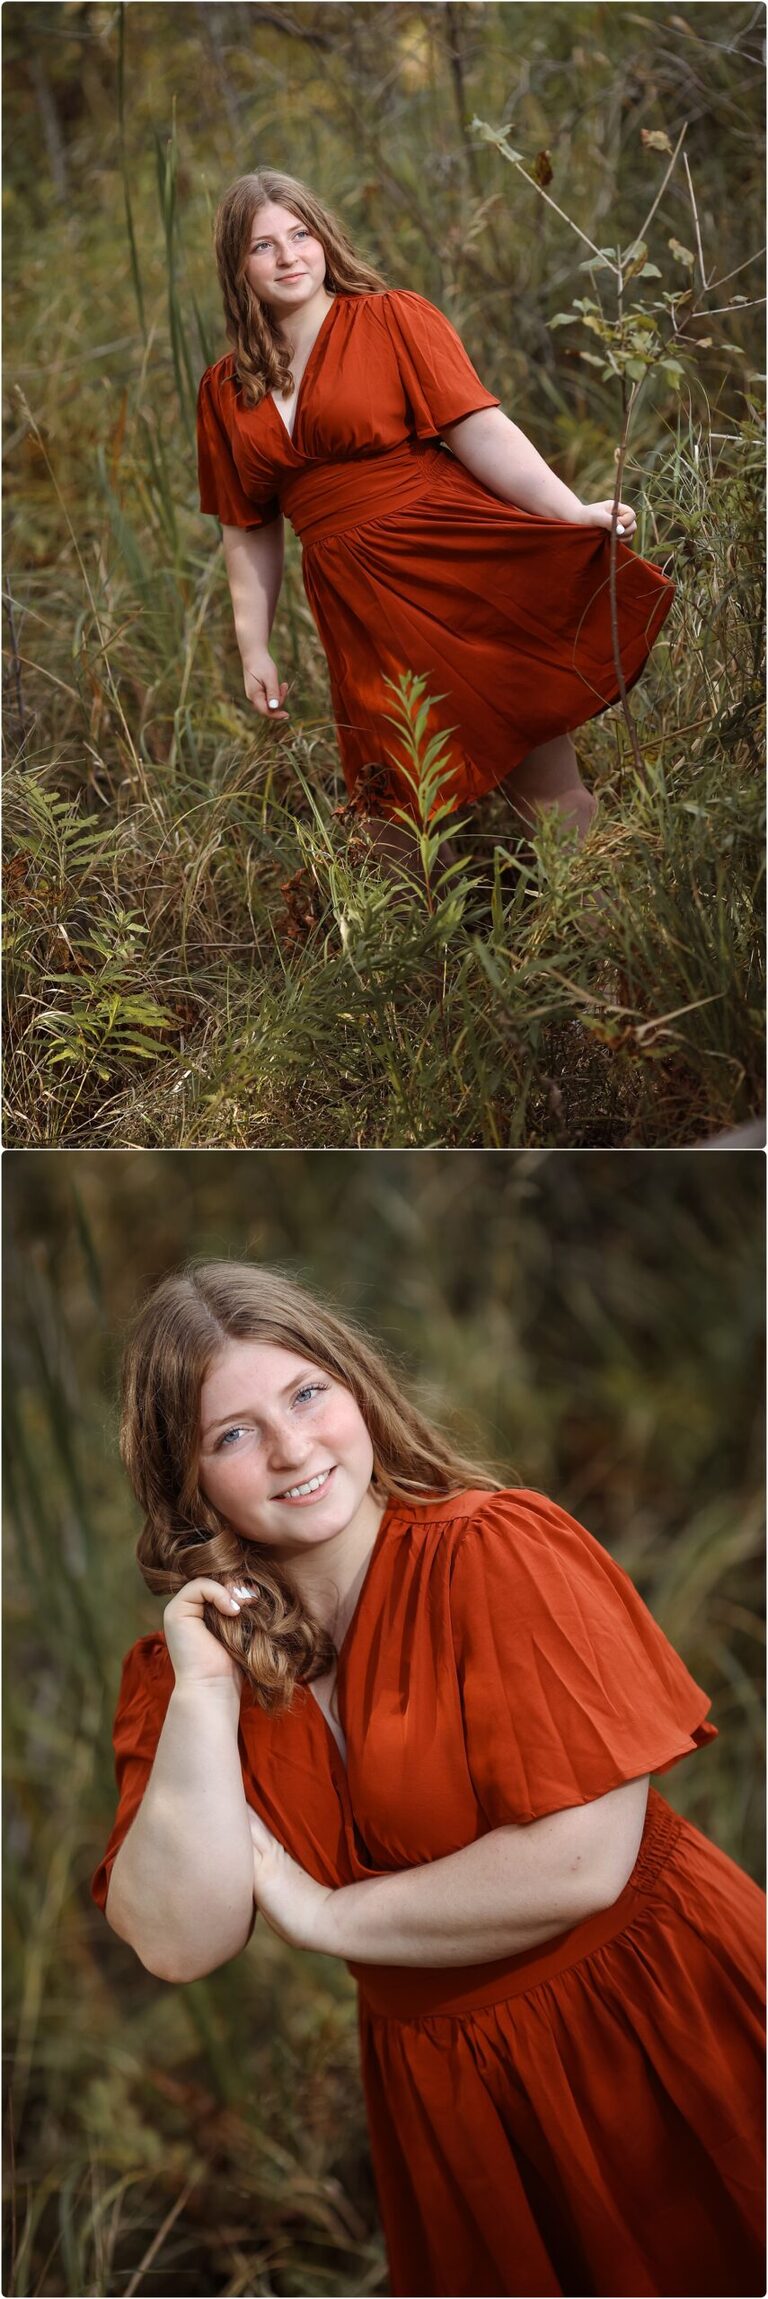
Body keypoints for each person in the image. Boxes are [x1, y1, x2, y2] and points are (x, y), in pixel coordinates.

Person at [92, 1261, 764, 2299]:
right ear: (185, 1484)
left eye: (306, 1393)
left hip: (658, 2018)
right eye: (232, 1434)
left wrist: (326, 1914)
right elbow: (180, 1939)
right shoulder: (187, 1674)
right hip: (455, 2095)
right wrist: (203, 1699)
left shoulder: (495, 1549)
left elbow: (582, 1863)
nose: (292, 1448)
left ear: (357, 1389)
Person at [197, 170, 674, 864]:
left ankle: (605, 941)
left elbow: (481, 431)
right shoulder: (224, 387)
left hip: (455, 567)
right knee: (392, 815)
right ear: (238, 266)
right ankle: (438, 967)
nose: (289, 256)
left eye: (300, 235)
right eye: (263, 246)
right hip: (356, 608)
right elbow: (245, 528)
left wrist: (570, 510)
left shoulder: (392, 318)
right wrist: (253, 646)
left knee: (543, 792)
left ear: (324, 239)